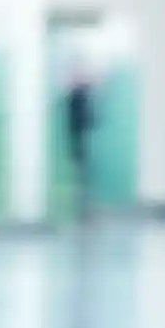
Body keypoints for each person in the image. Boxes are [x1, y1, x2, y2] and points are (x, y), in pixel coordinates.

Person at [66, 71, 97, 221]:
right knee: (80, 171)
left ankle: (82, 202)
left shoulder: (78, 96)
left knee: (81, 172)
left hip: (78, 139)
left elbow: (89, 119)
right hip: (76, 139)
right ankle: (80, 202)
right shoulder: (77, 97)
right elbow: (88, 119)